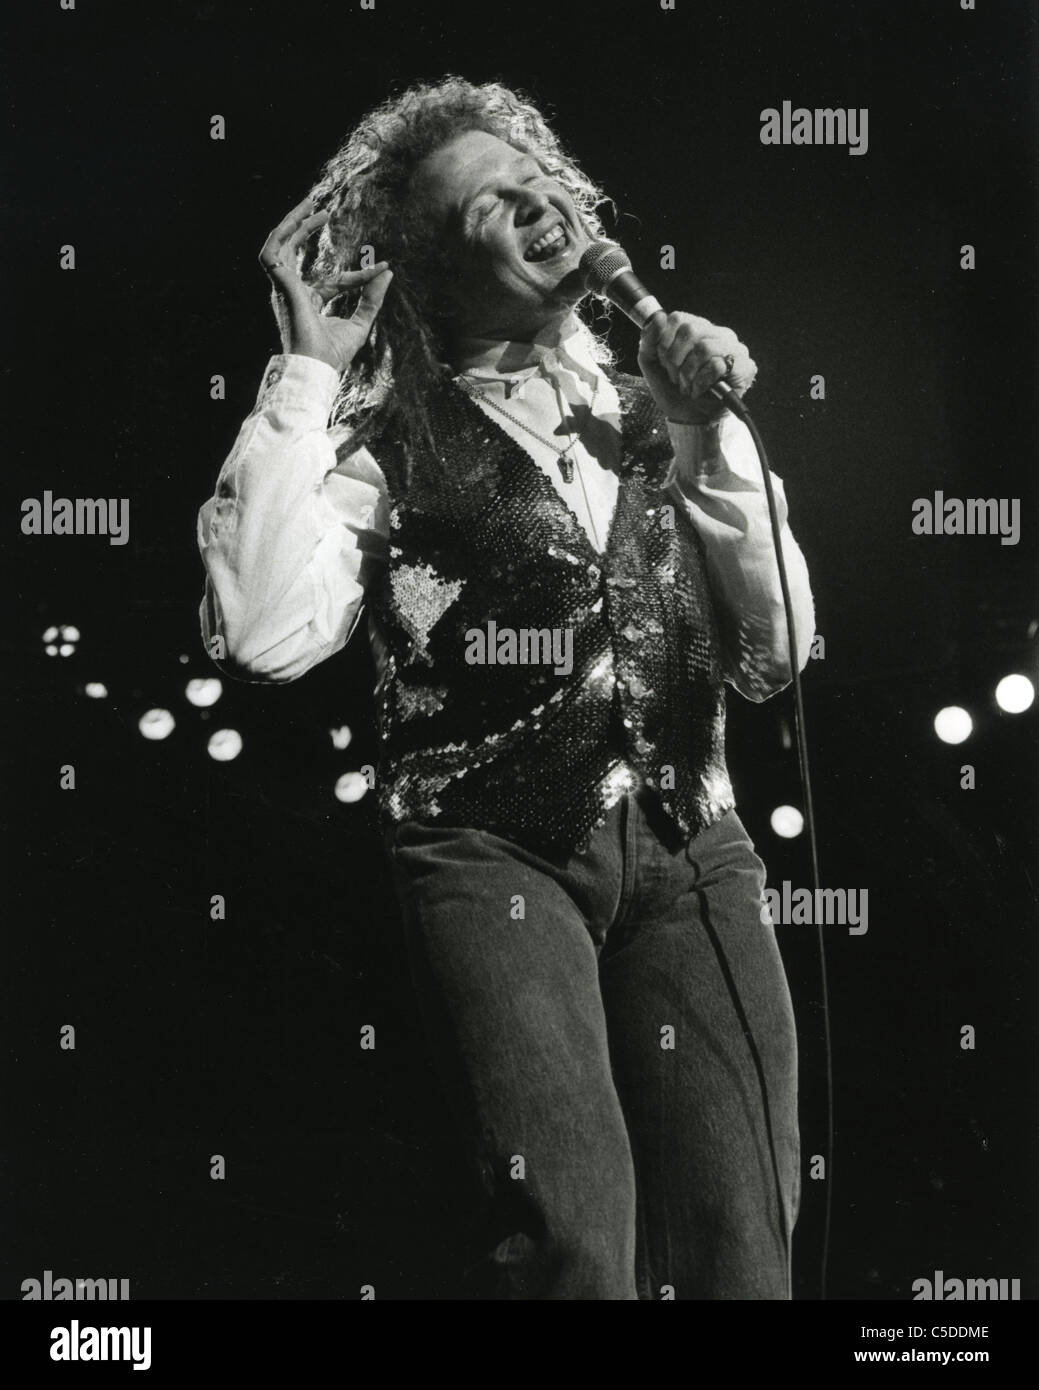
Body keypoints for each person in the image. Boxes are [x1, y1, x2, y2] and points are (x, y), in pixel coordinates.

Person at [196, 76, 816, 1300]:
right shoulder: (381, 448)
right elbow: (261, 632)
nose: (538, 202)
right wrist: (305, 376)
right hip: (491, 851)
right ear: (429, 272)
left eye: (541, 180)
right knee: (573, 1236)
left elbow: (776, 648)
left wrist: (708, 435)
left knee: (742, 1245)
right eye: (492, 201)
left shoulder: (651, 409)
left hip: (698, 847)